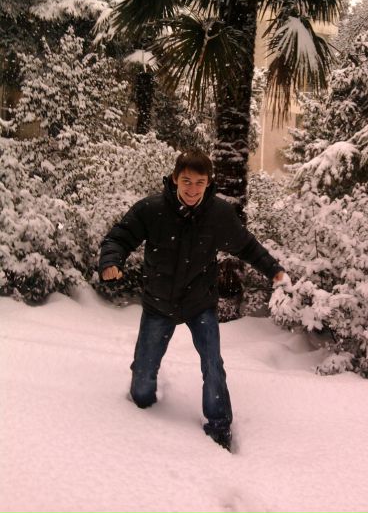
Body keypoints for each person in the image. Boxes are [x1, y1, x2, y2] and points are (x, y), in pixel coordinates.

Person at [99, 149, 288, 451]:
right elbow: (119, 237)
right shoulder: (152, 209)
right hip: (159, 303)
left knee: (213, 365)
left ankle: (219, 427)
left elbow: (247, 246)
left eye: (200, 182)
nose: (192, 189)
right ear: (175, 178)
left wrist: (273, 269)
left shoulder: (218, 215)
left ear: (208, 183)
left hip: (200, 303)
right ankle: (140, 412)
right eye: (186, 181)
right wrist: (111, 261)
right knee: (144, 374)